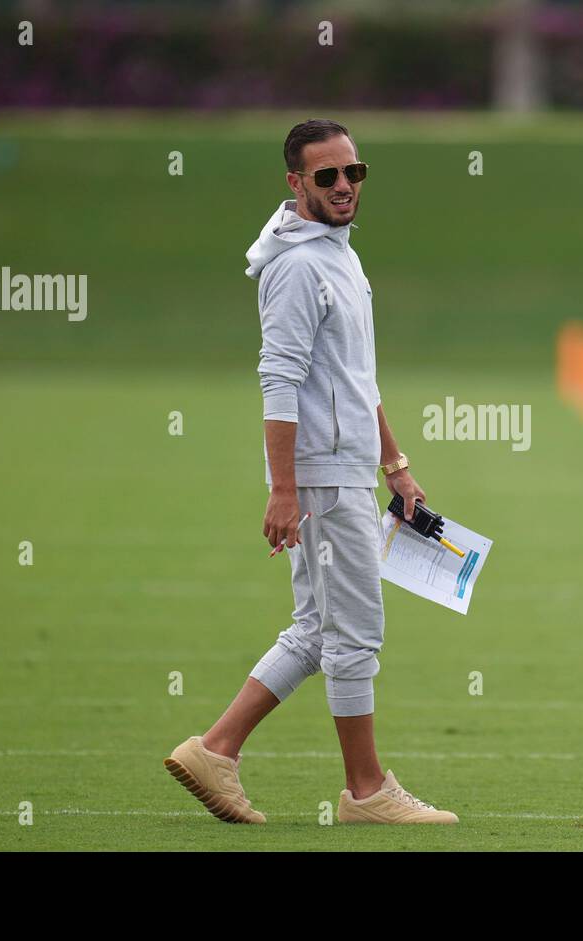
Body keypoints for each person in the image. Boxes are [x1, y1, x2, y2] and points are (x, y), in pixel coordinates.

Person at [164, 119, 458, 825]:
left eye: (353, 173)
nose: (344, 186)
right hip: (321, 476)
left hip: (346, 467)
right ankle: (366, 790)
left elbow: (358, 376)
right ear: (295, 183)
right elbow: (280, 377)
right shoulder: (297, 266)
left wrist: (396, 463)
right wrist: (285, 487)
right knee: (354, 632)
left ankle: (216, 750)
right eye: (326, 177)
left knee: (318, 628)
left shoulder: (337, 253)